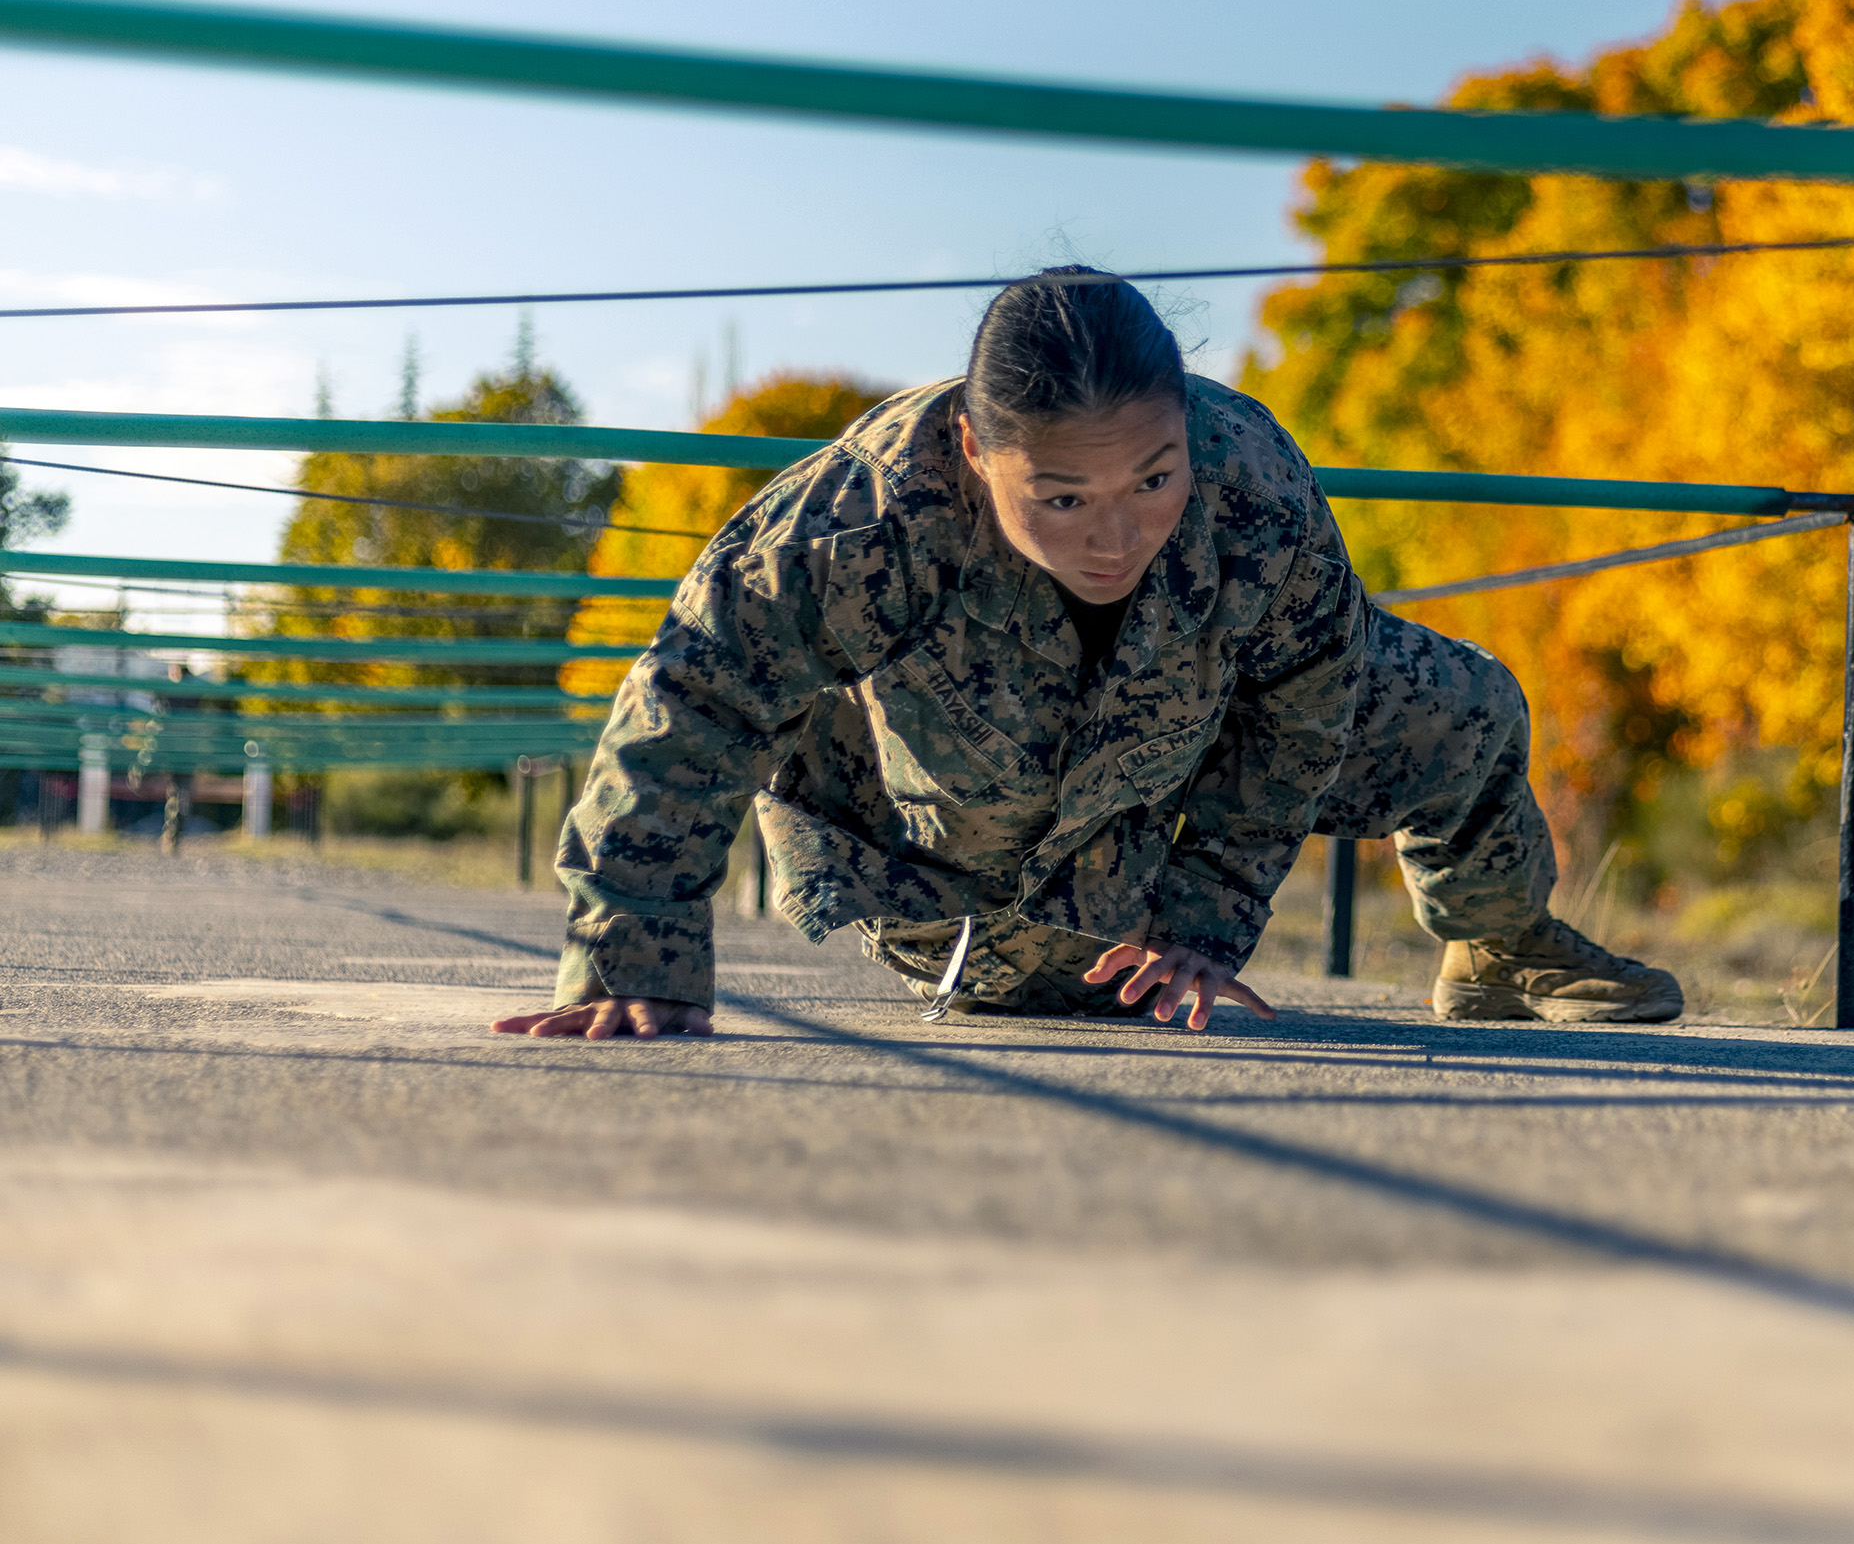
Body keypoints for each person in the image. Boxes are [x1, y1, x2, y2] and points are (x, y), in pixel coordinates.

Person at [494, 268, 1682, 1041]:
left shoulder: (1252, 482)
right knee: (1047, 967)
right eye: (1060, 497)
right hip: (948, 862)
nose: (1115, 533)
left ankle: (1498, 945)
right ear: (974, 445)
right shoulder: (870, 511)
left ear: (1185, 423)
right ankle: (1053, 939)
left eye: (1151, 478)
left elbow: (1301, 718)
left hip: (1165, 771)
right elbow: (694, 685)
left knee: (1466, 705)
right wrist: (630, 946)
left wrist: (1203, 933)